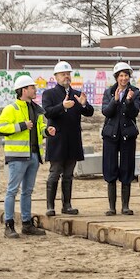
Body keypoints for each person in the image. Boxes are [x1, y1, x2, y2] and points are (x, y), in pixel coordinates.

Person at [0, 75, 56, 238]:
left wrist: (46, 131)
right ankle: (9, 225)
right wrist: (22, 126)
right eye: (32, 88)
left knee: (27, 191)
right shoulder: (12, 109)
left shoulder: (36, 110)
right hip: (17, 157)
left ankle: (26, 224)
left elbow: (40, 128)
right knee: (12, 190)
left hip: (33, 155)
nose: (35, 90)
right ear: (24, 90)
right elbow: (0, 128)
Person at [41, 60, 94, 216]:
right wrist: (63, 106)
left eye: (68, 74)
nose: (66, 77)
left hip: (73, 140)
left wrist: (84, 105)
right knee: (55, 172)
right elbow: (48, 112)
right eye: (63, 74)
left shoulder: (76, 94)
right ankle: (50, 206)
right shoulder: (49, 94)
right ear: (56, 76)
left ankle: (67, 205)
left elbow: (89, 113)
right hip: (57, 140)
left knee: (69, 174)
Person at [101, 61, 140, 216]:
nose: (123, 79)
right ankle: (112, 206)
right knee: (110, 168)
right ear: (116, 77)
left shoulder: (135, 92)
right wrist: (115, 100)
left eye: (126, 75)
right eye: (121, 76)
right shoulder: (109, 92)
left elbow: (134, 113)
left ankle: (125, 205)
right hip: (111, 135)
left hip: (127, 135)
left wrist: (129, 101)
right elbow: (106, 112)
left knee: (127, 168)